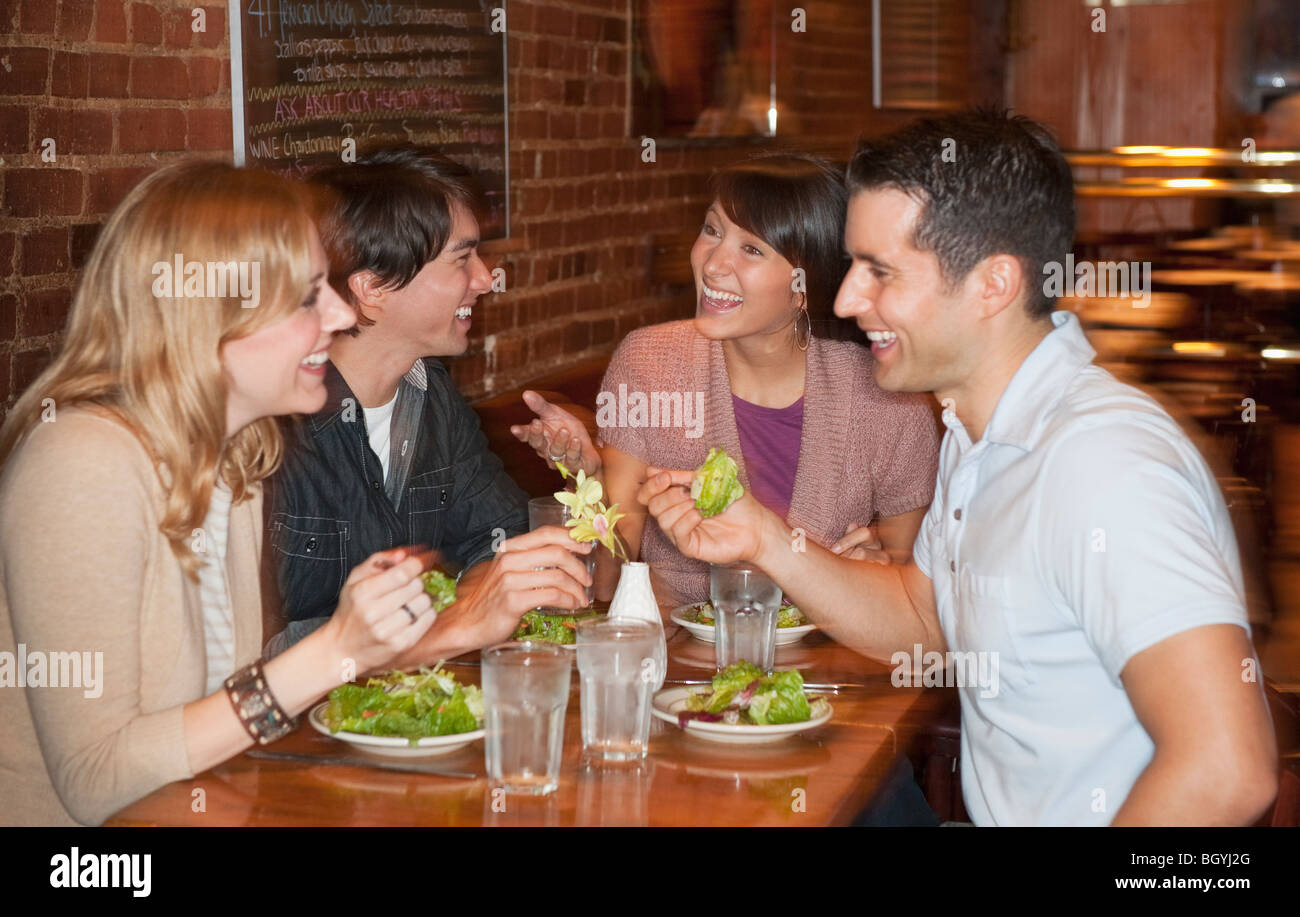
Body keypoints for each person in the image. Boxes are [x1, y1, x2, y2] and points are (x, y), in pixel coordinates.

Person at [637, 109, 1279, 826]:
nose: (847, 300)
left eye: (879, 271)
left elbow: (1228, 768)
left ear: (993, 285)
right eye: (852, 266)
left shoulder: (1103, 463)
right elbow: (928, 618)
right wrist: (760, 537)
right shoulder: (978, 437)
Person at [0, 162, 446, 825]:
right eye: (306, 297)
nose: (342, 313)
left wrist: (373, 629)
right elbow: (96, 780)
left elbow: (217, 716)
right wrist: (335, 649)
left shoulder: (237, 457)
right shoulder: (81, 461)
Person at [511, 153, 940, 605]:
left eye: (751, 249)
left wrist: (880, 571)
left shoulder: (887, 400)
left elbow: (915, 603)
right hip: (681, 664)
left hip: (825, 667)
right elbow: (609, 583)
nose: (713, 264)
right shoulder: (649, 365)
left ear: (804, 284)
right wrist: (592, 481)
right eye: (712, 230)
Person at [263, 147, 592, 660]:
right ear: (372, 288)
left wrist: (584, 481)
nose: (486, 279)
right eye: (462, 259)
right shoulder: (270, 428)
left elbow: (499, 546)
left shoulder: (430, 393)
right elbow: (256, 650)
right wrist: (452, 623)